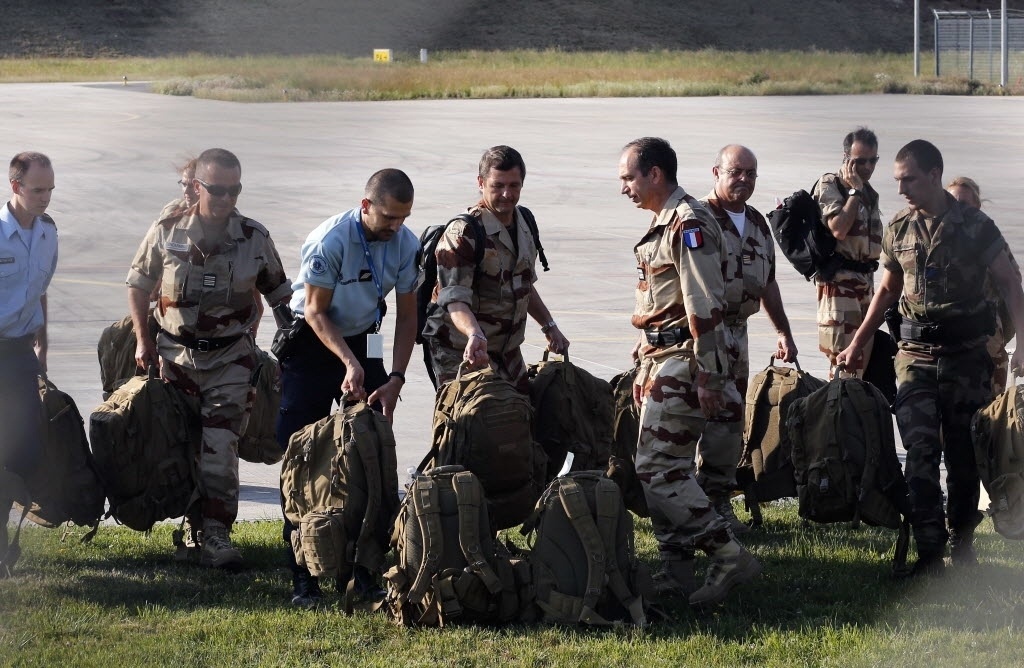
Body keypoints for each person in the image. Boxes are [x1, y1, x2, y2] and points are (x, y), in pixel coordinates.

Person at [837, 140, 1024, 575]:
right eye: (898, 179)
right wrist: (858, 342)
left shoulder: (976, 226)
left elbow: (1011, 283)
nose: (901, 187)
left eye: (909, 178)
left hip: (966, 357)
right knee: (920, 451)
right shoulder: (899, 227)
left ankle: (962, 540)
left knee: (962, 455)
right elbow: (886, 290)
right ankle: (928, 549)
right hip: (914, 357)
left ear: (935, 174)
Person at [126, 148, 292, 570]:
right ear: (197, 187)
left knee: (220, 446)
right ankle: (185, 521)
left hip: (230, 361)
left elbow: (279, 295)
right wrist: (144, 342)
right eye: (217, 189)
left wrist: (291, 343)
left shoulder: (254, 237)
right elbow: (138, 283)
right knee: (176, 447)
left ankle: (216, 534)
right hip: (173, 357)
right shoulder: (167, 230)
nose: (226, 198)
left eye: (234, 189)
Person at [619, 136, 761, 607]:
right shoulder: (665, 222)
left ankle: (725, 552)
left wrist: (709, 376)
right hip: (661, 360)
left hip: (684, 362)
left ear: (654, 174)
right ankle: (675, 569)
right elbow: (660, 302)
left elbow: (704, 303)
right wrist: (643, 362)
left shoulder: (689, 222)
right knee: (662, 467)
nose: (625, 188)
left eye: (629, 177)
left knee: (657, 468)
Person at [276, 168, 418, 607]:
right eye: (388, 218)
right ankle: (304, 576)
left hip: (366, 338)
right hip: (315, 341)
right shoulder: (332, 240)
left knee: (371, 453)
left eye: (403, 218)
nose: (395, 227)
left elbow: (408, 315)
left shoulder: (406, 243)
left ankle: (365, 571)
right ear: (366, 206)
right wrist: (349, 362)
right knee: (306, 457)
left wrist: (395, 378)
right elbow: (316, 312)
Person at [697, 145, 798, 533]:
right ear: (716, 172)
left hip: (738, 335)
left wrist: (782, 330)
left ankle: (715, 502)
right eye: (736, 172)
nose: (744, 180)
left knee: (727, 422)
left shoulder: (756, 222)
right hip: (703, 335)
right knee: (695, 419)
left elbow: (767, 282)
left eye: (751, 174)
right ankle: (688, 507)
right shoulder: (699, 218)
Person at [422, 145, 569, 393]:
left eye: (514, 186)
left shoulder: (525, 221)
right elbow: (454, 299)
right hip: (462, 350)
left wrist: (550, 326)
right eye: (497, 185)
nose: (506, 194)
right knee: (476, 422)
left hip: (506, 349)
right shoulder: (464, 232)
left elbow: (523, 284)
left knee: (522, 418)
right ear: (480, 183)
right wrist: (474, 334)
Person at [1, 152, 58, 570]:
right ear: (15, 186)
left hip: (19, 353)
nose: (46, 198)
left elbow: (40, 287)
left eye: (50, 189)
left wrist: (43, 342)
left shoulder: (48, 232)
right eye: (38, 190)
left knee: (20, 452)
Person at [812, 127, 883, 377]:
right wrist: (853, 193)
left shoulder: (870, 193)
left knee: (862, 366)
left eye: (872, 160)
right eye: (859, 161)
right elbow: (838, 229)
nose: (867, 167)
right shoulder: (832, 185)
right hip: (839, 287)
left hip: (865, 284)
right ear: (846, 158)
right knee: (844, 365)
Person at [946, 176, 1021, 395]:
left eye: (964, 204)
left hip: (986, 335)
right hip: (948, 336)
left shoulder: (988, 238)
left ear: (977, 206)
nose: (957, 210)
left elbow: (1013, 282)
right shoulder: (938, 236)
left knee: (990, 405)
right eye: (952, 203)